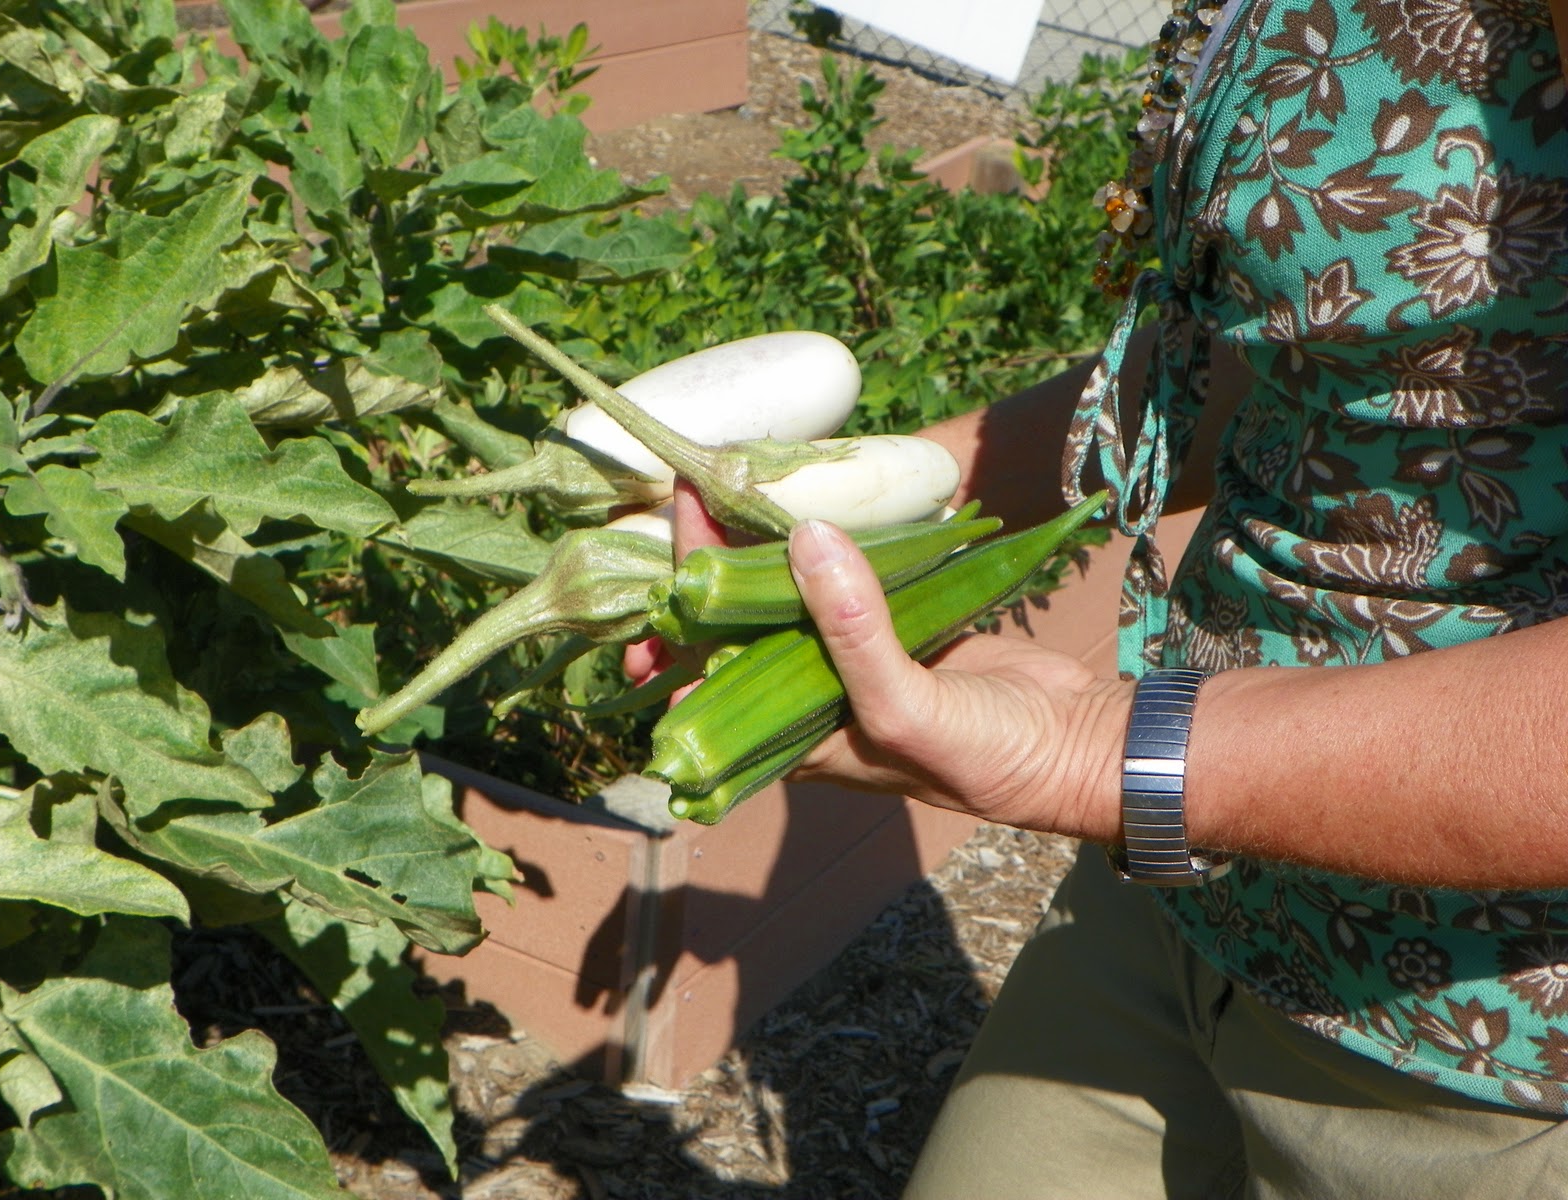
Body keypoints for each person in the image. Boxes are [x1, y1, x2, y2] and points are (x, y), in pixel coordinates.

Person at [636, 0, 1568, 1193]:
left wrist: (1086, 754)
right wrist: (875, 504)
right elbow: (1335, 360)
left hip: (1473, 1045)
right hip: (1192, 889)